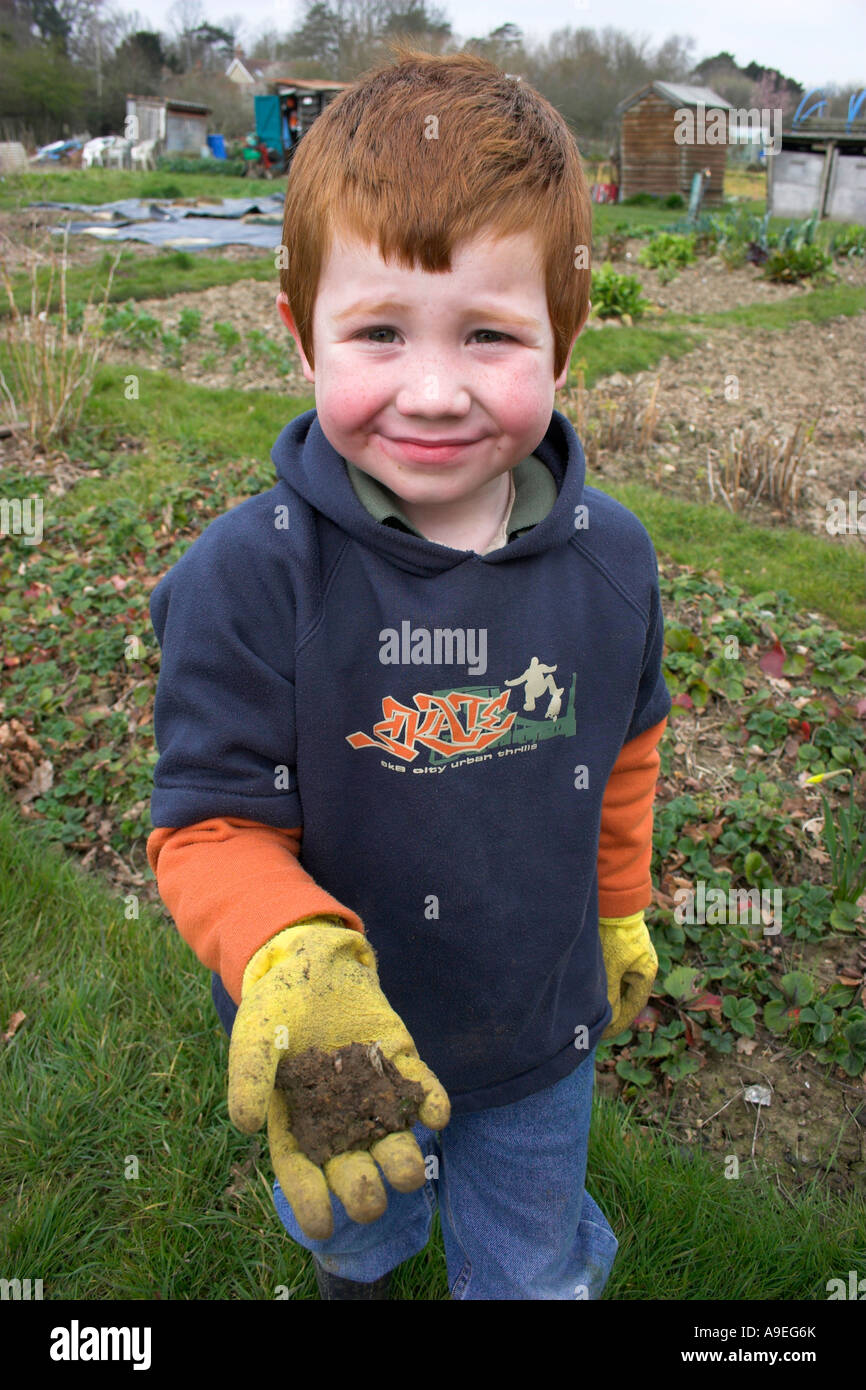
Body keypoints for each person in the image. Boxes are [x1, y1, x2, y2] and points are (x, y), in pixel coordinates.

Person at [146, 42, 671, 1301]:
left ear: (565, 339)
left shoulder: (611, 563)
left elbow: (624, 747)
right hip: (340, 1040)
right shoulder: (252, 575)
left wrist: (614, 906)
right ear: (299, 333)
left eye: (488, 334)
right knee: (358, 1229)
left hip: (538, 1024)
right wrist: (287, 956)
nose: (432, 393)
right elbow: (208, 824)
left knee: (529, 1265)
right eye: (378, 330)